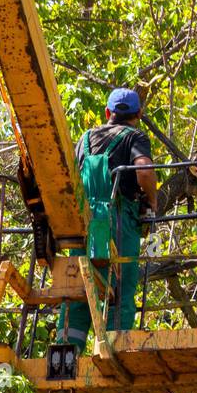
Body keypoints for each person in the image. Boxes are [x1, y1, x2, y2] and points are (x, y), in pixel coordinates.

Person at [58, 87, 159, 354]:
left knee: (79, 288)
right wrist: (152, 203)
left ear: (107, 113)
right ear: (138, 114)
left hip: (83, 223)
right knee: (121, 288)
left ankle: (66, 353)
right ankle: (116, 348)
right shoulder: (135, 136)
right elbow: (146, 171)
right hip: (119, 221)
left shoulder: (86, 138)